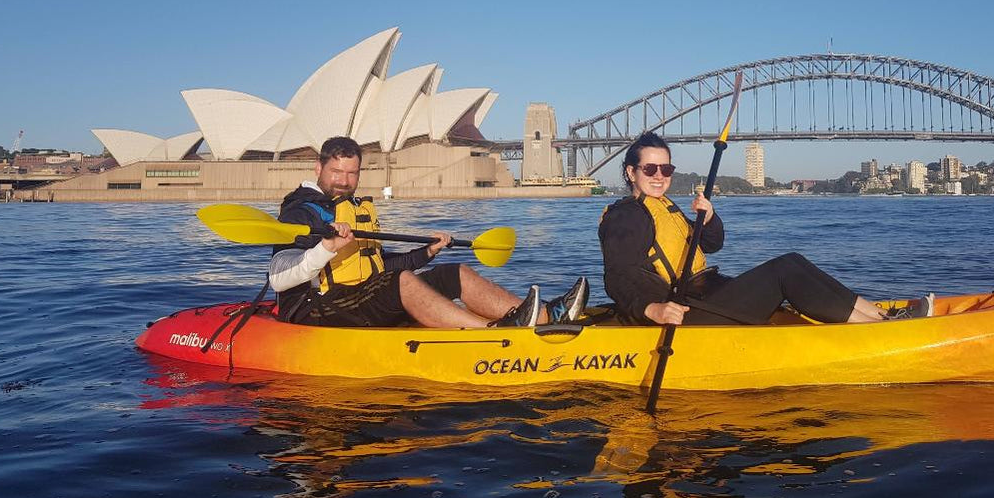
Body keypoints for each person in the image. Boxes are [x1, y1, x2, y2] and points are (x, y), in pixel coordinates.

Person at [598, 131, 932, 326]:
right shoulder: (627, 216)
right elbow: (618, 275)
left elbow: (712, 245)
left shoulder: (664, 208)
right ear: (631, 172)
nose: (660, 175)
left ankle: (878, 315)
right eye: (650, 168)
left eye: (666, 167)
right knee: (784, 270)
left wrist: (709, 217)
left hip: (708, 295)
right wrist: (651, 309)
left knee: (794, 262)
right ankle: (878, 329)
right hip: (687, 314)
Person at [270, 136, 588, 329]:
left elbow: (378, 269)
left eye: (352, 173)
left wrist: (427, 252)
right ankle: (493, 330)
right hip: (316, 309)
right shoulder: (301, 211)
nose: (344, 180)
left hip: (360, 297)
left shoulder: (352, 206)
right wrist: (326, 246)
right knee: (402, 283)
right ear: (318, 168)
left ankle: (547, 314)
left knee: (453, 273)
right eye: (336, 172)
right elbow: (279, 277)